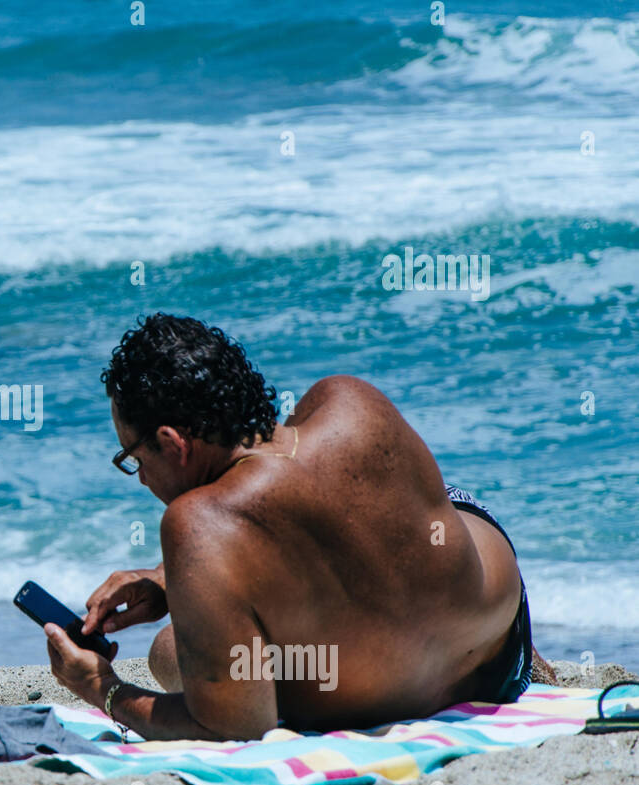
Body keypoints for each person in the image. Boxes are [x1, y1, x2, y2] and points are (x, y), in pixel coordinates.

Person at [44, 313, 555, 741]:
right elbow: (307, 514)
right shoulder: (349, 398)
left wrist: (101, 687)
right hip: (497, 643)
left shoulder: (197, 521)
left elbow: (234, 728)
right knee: (416, 508)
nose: (142, 480)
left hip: (387, 698)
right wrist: (172, 580)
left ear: (173, 442)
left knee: (169, 650)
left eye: (134, 459)